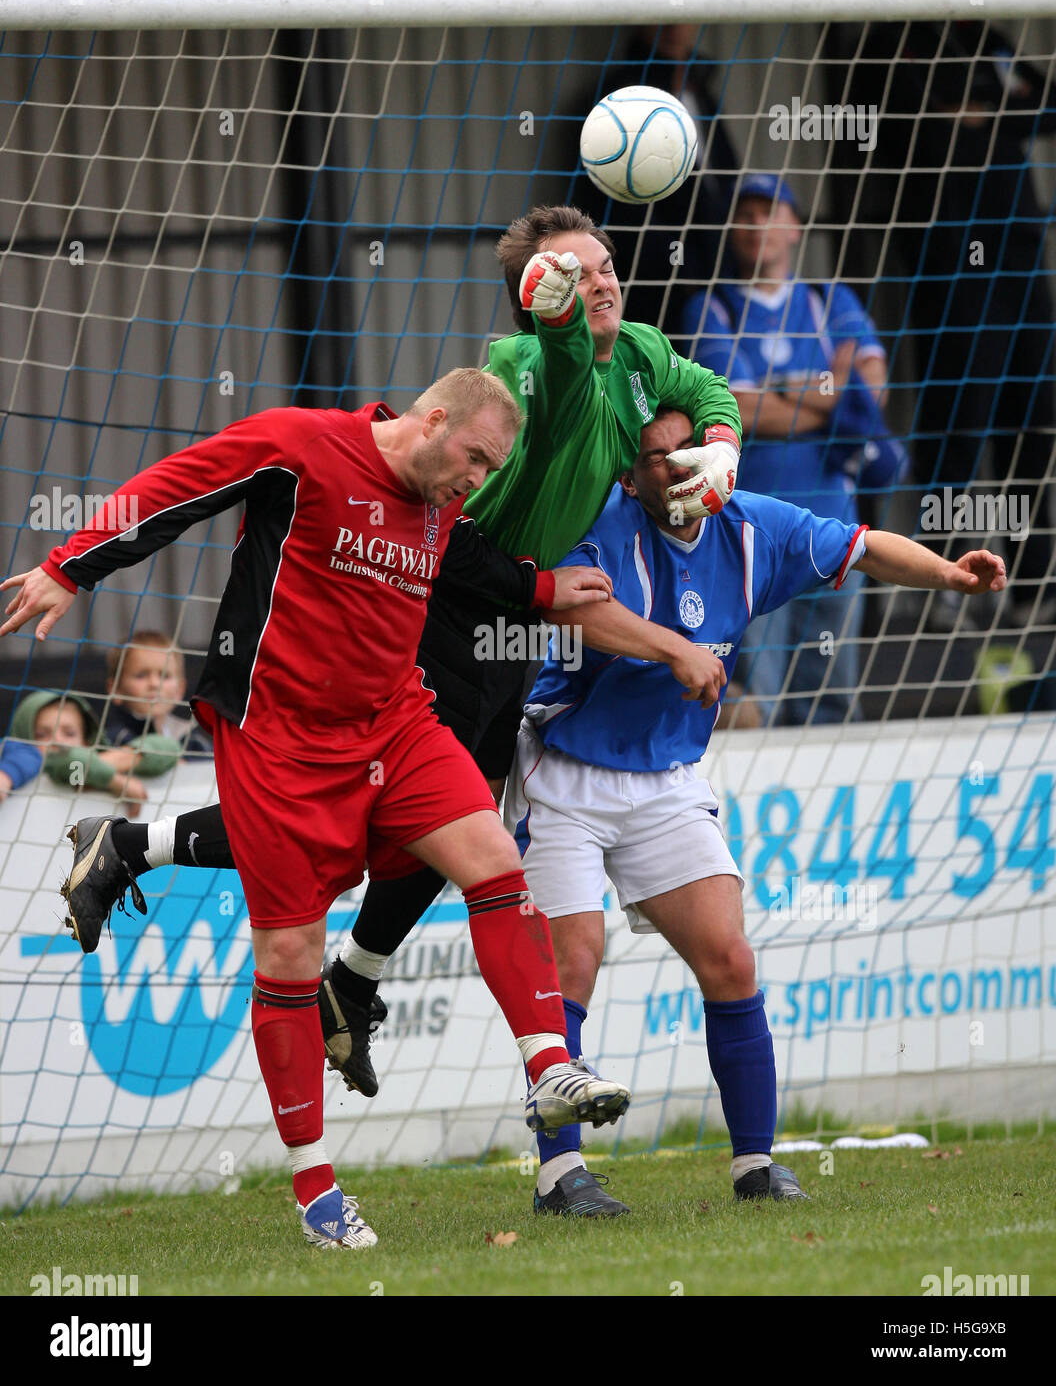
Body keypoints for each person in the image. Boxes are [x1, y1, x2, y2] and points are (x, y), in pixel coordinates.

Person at [40, 205, 742, 1141]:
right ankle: (333, 981)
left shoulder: (645, 352)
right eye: (573, 275)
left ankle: (193, 885)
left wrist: (723, 444)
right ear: (541, 302)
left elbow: (709, 388)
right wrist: (535, 584)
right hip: (456, 595)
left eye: (607, 264)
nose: (601, 281)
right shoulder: (523, 373)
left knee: (447, 823)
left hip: (514, 615)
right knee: (405, 822)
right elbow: (480, 491)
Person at [0, 369, 636, 1251]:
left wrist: (536, 593)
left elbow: (460, 559)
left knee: (495, 861)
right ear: (434, 418)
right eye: (477, 460)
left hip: (394, 723)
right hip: (277, 740)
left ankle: (548, 1068)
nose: (476, 481)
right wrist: (71, 566)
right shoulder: (301, 446)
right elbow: (176, 487)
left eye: (490, 472)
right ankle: (314, 1187)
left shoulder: (439, 503)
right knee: (291, 956)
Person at [505, 407, 1006, 1215]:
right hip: (567, 772)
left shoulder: (751, 528)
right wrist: (675, 648)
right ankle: (560, 1176)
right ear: (628, 478)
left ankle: (755, 1167)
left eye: (686, 451)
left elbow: (863, 546)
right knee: (574, 961)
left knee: (731, 960)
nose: (673, 467)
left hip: (666, 777)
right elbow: (573, 608)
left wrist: (949, 573)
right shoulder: (600, 525)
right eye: (654, 459)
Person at [846, 20, 1056, 627]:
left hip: (1021, 255)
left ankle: (1033, 581)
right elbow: (909, 132)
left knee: (1032, 419)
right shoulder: (898, 40)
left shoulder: (989, 37)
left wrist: (979, 116)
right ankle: (942, 579)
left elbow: (1043, 108)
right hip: (953, 257)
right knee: (961, 422)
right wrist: (983, 117)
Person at [683, 173, 906, 726]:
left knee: (830, 694)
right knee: (750, 698)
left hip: (833, 522)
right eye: (747, 215)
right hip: (746, 530)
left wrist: (779, 391)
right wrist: (825, 390)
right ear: (733, 231)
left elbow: (871, 392)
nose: (758, 225)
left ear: (795, 226)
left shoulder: (830, 301)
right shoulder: (712, 309)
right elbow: (734, 406)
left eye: (770, 212)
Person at [563, 24, 739, 333]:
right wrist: (677, 268)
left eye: (681, 14)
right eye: (659, 15)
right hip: (653, 285)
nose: (672, 26)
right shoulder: (619, 101)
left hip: (717, 275)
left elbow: (726, 179)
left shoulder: (701, 92)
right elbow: (608, 205)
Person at [11, 688, 180, 815]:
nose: (57, 742)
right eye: (42, 735)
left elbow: (170, 748)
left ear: (87, 741)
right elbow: (69, 766)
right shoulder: (10, 770)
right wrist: (115, 781)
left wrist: (96, 766)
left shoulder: (82, 767)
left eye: (69, 733)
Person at [105, 630, 213, 757]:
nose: (154, 684)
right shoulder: (111, 741)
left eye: (165, 676)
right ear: (115, 688)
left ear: (180, 690)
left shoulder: (195, 742)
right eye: (141, 675)